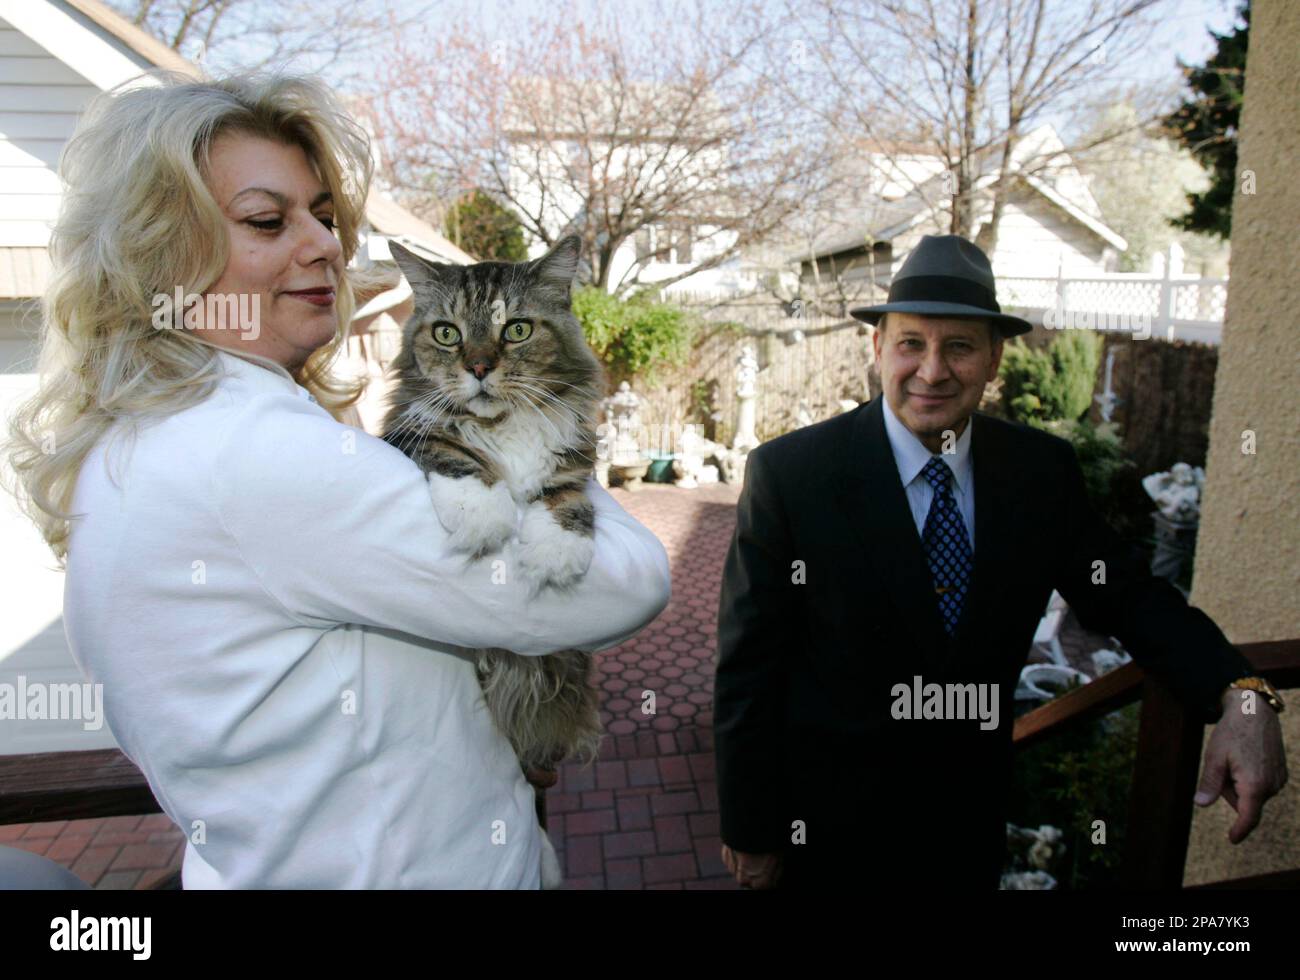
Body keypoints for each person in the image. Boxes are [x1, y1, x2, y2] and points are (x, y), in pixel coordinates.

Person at [2, 71, 670, 889]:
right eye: (265, 220)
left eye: (322, 214)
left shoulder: (142, 434)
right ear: (159, 255)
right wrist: (537, 427)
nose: (325, 244)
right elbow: (624, 584)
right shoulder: (249, 451)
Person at [713, 234, 1287, 890]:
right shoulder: (792, 476)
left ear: (994, 357)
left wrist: (1242, 694)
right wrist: (750, 825)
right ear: (878, 348)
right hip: (823, 837)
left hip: (965, 830)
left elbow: (1129, 596)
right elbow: (748, 666)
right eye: (911, 344)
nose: (932, 371)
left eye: (958, 345)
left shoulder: (1038, 473)